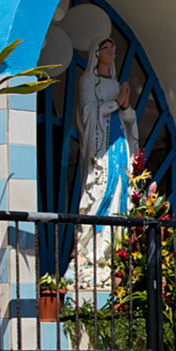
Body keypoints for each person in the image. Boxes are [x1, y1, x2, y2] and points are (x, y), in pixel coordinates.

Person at [75, 36, 139, 288]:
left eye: (113, 49)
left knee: (120, 191)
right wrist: (116, 103)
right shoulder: (88, 81)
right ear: (96, 54)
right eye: (105, 49)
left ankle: (112, 252)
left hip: (119, 145)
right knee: (101, 192)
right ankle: (92, 251)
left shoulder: (114, 83)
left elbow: (128, 117)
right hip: (101, 149)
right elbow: (87, 112)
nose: (111, 52)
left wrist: (124, 106)